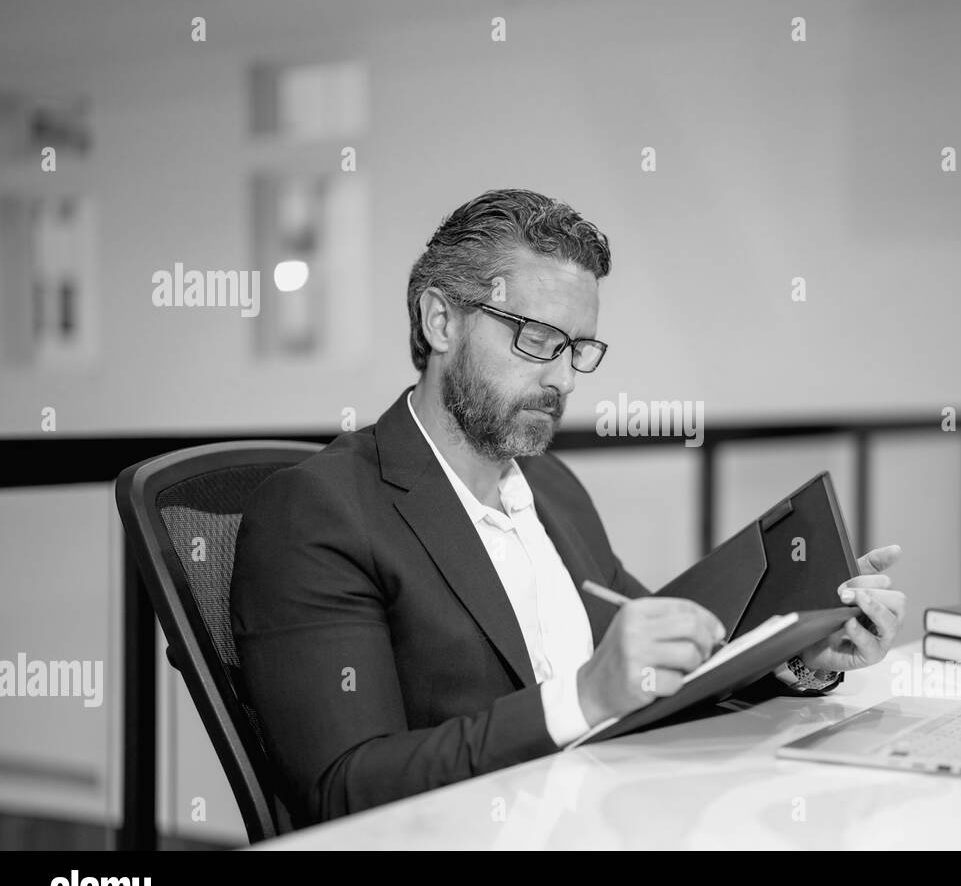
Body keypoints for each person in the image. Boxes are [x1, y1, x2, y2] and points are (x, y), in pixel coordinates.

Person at [229, 188, 906, 827]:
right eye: (534, 338)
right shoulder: (319, 509)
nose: (560, 379)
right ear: (441, 320)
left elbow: (677, 665)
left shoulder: (551, 486)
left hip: (605, 818)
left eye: (577, 349)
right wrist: (583, 697)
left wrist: (804, 650)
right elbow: (344, 788)